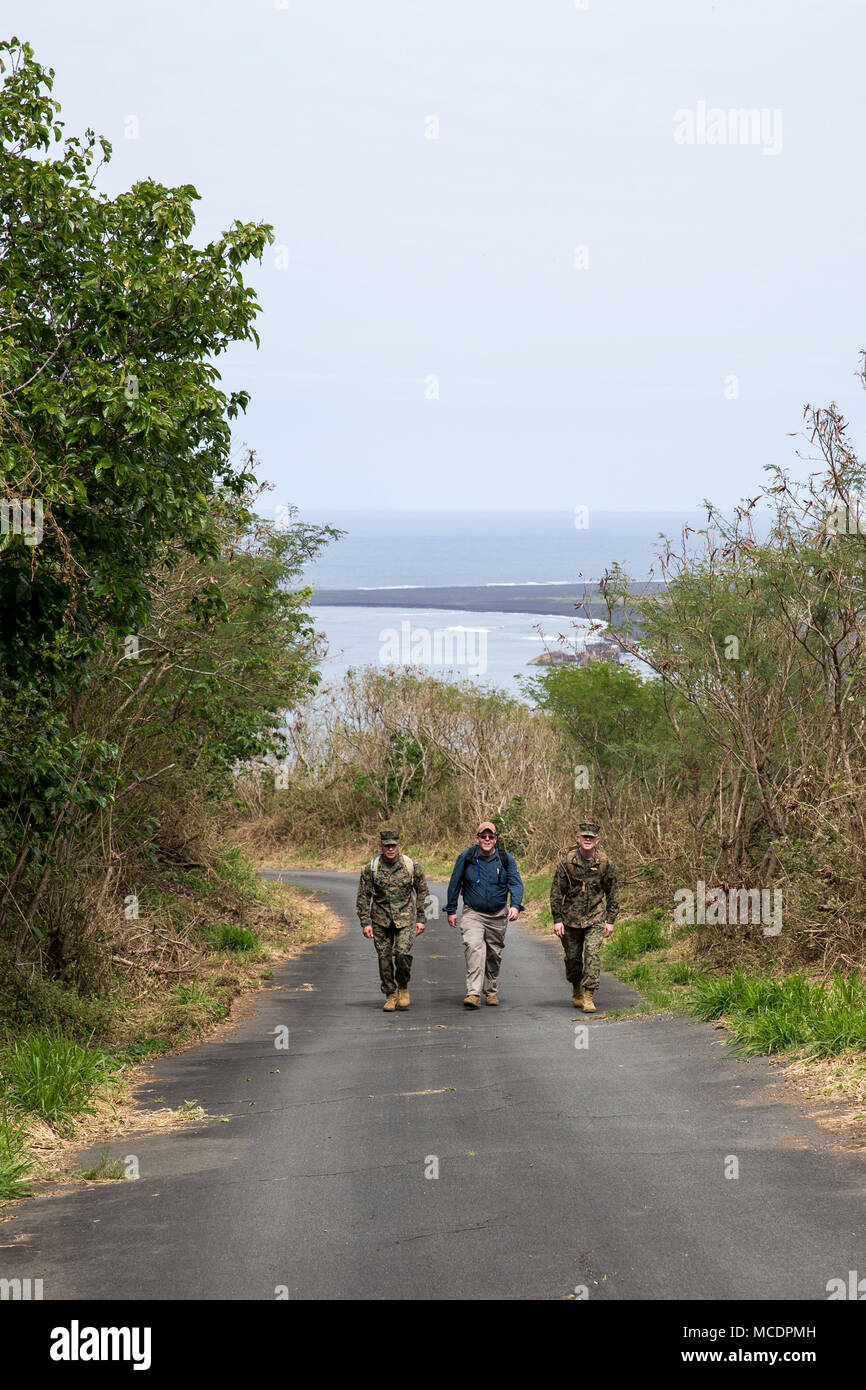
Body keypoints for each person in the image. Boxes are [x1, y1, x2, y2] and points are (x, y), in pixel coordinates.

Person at [446, 821, 524, 1008]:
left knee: (493, 954)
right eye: (483, 837)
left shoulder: (505, 858)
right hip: (473, 913)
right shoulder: (467, 857)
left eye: (490, 837)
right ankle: (473, 993)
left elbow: (515, 882)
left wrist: (515, 905)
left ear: (496, 839)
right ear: (478, 838)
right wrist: (451, 909)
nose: (487, 840)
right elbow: (455, 883)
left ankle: (491, 991)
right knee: (474, 948)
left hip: (497, 915)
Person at [356, 829, 429, 1011]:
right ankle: (390, 994)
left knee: (402, 954)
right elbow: (363, 897)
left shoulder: (411, 866)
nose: (390, 849)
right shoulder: (371, 868)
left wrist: (421, 918)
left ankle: (402, 986)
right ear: (381, 846)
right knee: (384, 958)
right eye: (387, 846)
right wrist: (365, 922)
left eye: (393, 845)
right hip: (380, 919)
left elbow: (423, 892)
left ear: (398, 846)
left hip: (405, 918)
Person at [550, 820, 619, 1012]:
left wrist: (610, 920)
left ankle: (589, 995)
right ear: (578, 839)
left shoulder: (605, 864)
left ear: (597, 840)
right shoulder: (567, 863)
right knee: (573, 959)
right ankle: (576, 988)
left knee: (592, 954)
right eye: (584, 837)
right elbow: (556, 892)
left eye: (591, 837)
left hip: (595, 917)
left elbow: (613, 893)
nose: (587, 840)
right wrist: (557, 920)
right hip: (570, 919)